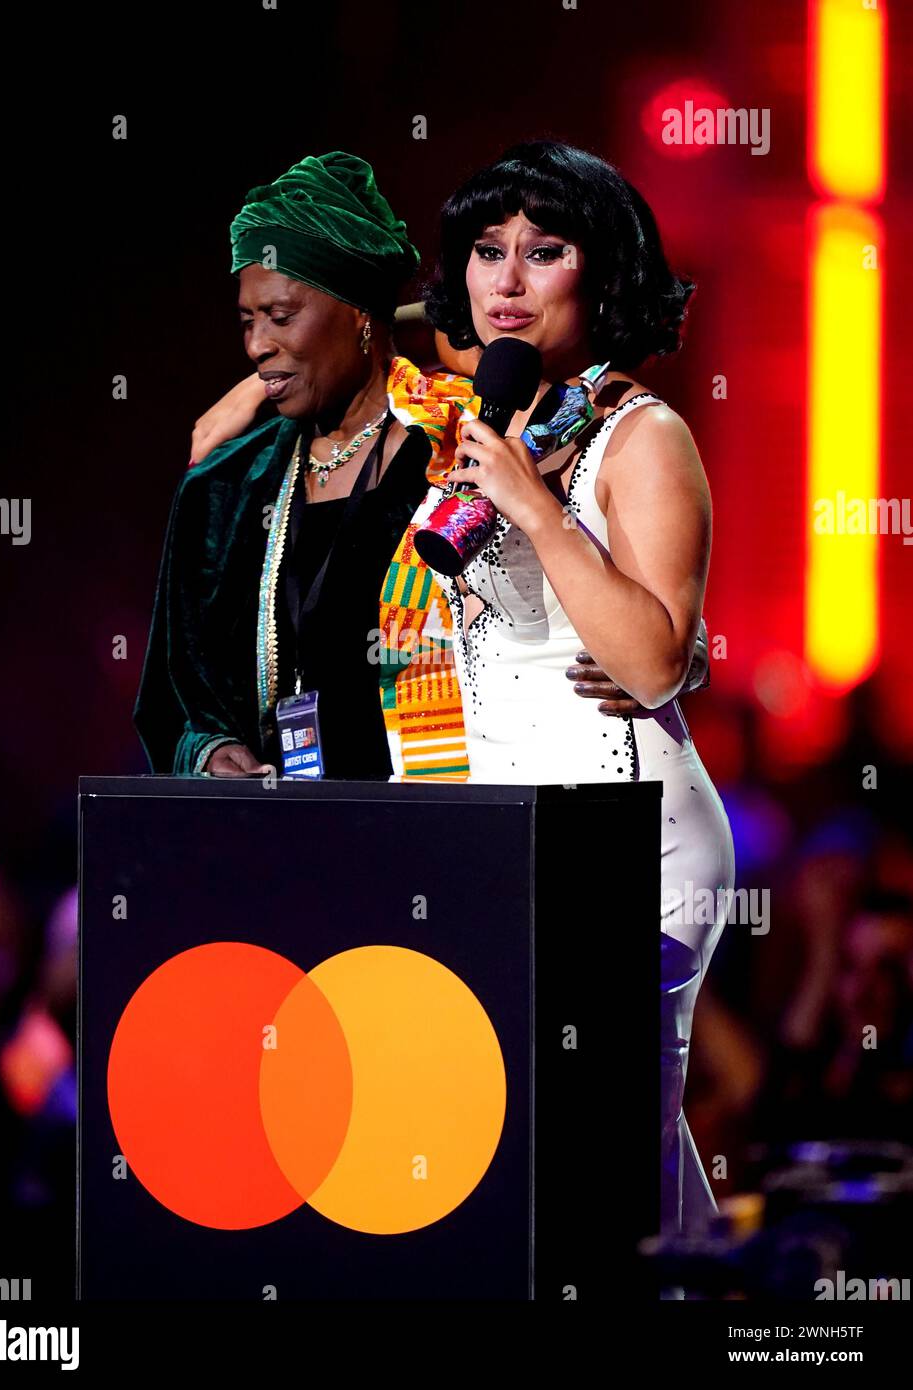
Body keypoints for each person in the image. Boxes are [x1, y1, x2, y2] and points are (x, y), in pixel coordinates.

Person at [134, 150, 712, 783]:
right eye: (487, 253)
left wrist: (676, 646)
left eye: (281, 315)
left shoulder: (454, 422)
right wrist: (266, 382)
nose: (506, 282)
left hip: (547, 801)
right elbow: (180, 680)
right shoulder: (238, 483)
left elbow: (647, 620)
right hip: (437, 811)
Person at [414, 139, 737, 1245]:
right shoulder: (474, 432)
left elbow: (650, 660)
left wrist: (537, 510)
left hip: (634, 842)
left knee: (590, 1153)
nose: (504, 280)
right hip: (521, 844)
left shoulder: (642, 436)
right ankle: (740, 1291)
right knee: (600, 1154)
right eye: (485, 251)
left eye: (542, 252)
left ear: (600, 277)